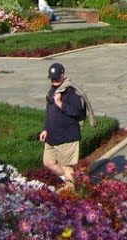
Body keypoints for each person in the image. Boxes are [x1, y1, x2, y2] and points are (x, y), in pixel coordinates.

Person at [39, 62, 94, 192]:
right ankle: (73, 182)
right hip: (52, 136)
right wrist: (45, 128)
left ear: (63, 74)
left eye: (56, 78)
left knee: (67, 167)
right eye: (52, 78)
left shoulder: (71, 91)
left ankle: (72, 192)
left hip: (67, 137)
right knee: (48, 162)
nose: (54, 81)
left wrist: (60, 103)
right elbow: (49, 111)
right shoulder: (53, 89)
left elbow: (77, 112)